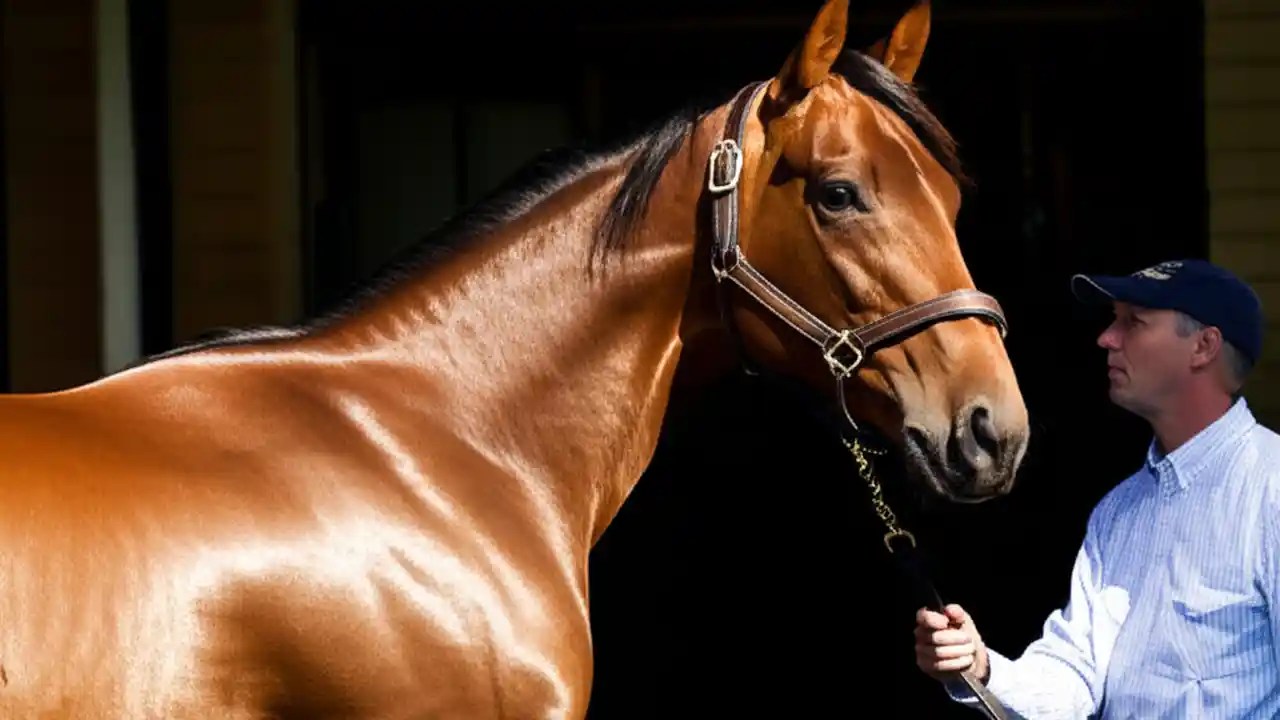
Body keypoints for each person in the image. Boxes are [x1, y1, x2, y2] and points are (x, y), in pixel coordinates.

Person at [913, 258, 1280, 718]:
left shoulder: (1272, 488)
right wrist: (982, 667)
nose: (1106, 338)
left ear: (1203, 347)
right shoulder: (1118, 512)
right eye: (1113, 321)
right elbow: (1075, 680)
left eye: (1133, 322)